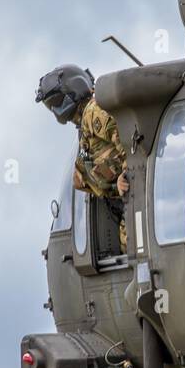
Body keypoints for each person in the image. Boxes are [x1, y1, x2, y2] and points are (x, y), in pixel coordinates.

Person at [36, 65, 129, 249]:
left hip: (132, 195)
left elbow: (126, 137)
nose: (56, 109)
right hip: (125, 200)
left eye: (57, 101)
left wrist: (126, 174)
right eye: (52, 106)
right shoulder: (84, 131)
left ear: (74, 87)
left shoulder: (93, 112)